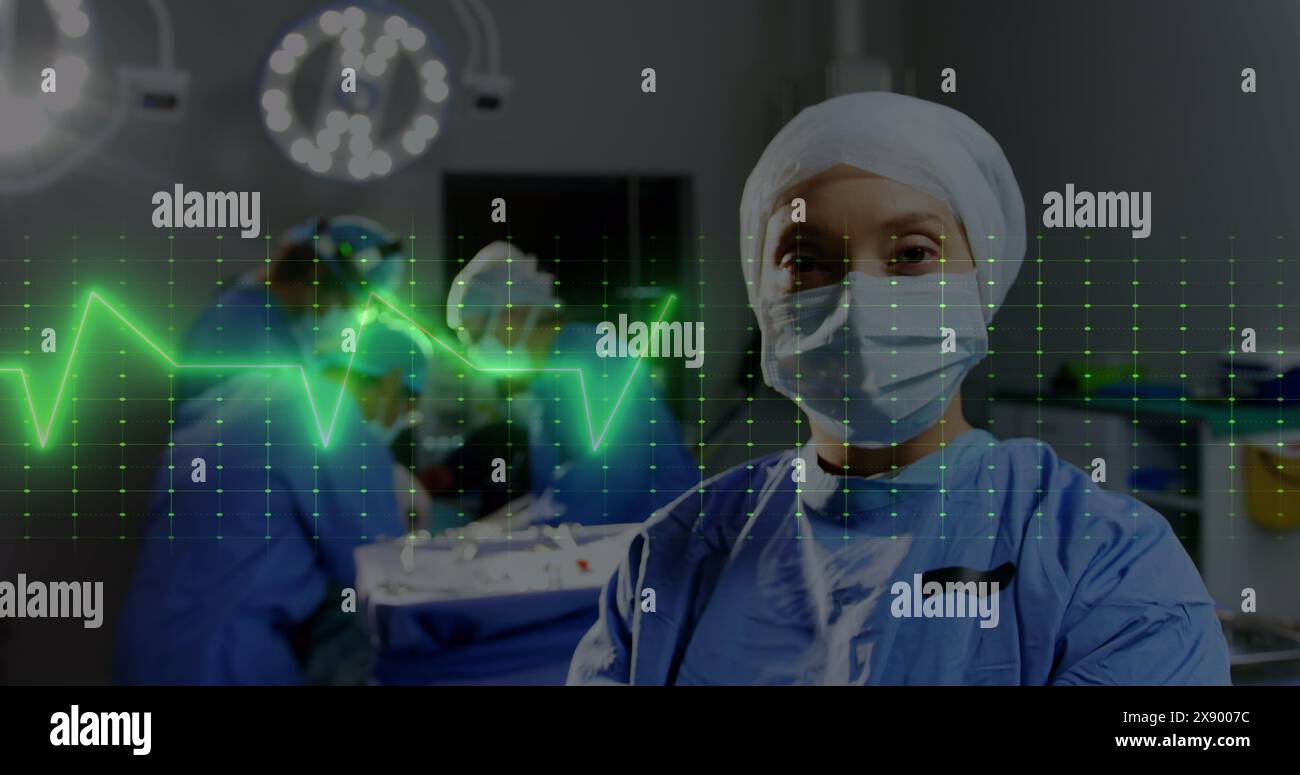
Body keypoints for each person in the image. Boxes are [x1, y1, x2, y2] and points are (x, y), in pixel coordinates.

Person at [568, 92, 1232, 685]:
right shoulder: (672, 558)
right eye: (806, 260)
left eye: (912, 252)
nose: (858, 300)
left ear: (982, 280)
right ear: (759, 293)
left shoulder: (1108, 565)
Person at [115, 318, 431, 684]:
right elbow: (383, 572)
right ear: (392, 382)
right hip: (228, 659)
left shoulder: (242, 394)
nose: (402, 421)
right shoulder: (333, 419)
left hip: (145, 647)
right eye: (408, 408)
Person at [446, 241, 698, 526]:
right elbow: (558, 488)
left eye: (477, 334)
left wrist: (533, 530)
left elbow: (607, 481)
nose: (475, 351)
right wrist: (502, 526)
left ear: (512, 312)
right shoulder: (550, 379)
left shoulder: (594, 360)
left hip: (654, 542)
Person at [175, 215, 405, 403]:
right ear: (316, 274)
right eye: (344, 304)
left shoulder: (271, 324)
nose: (342, 316)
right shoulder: (243, 330)